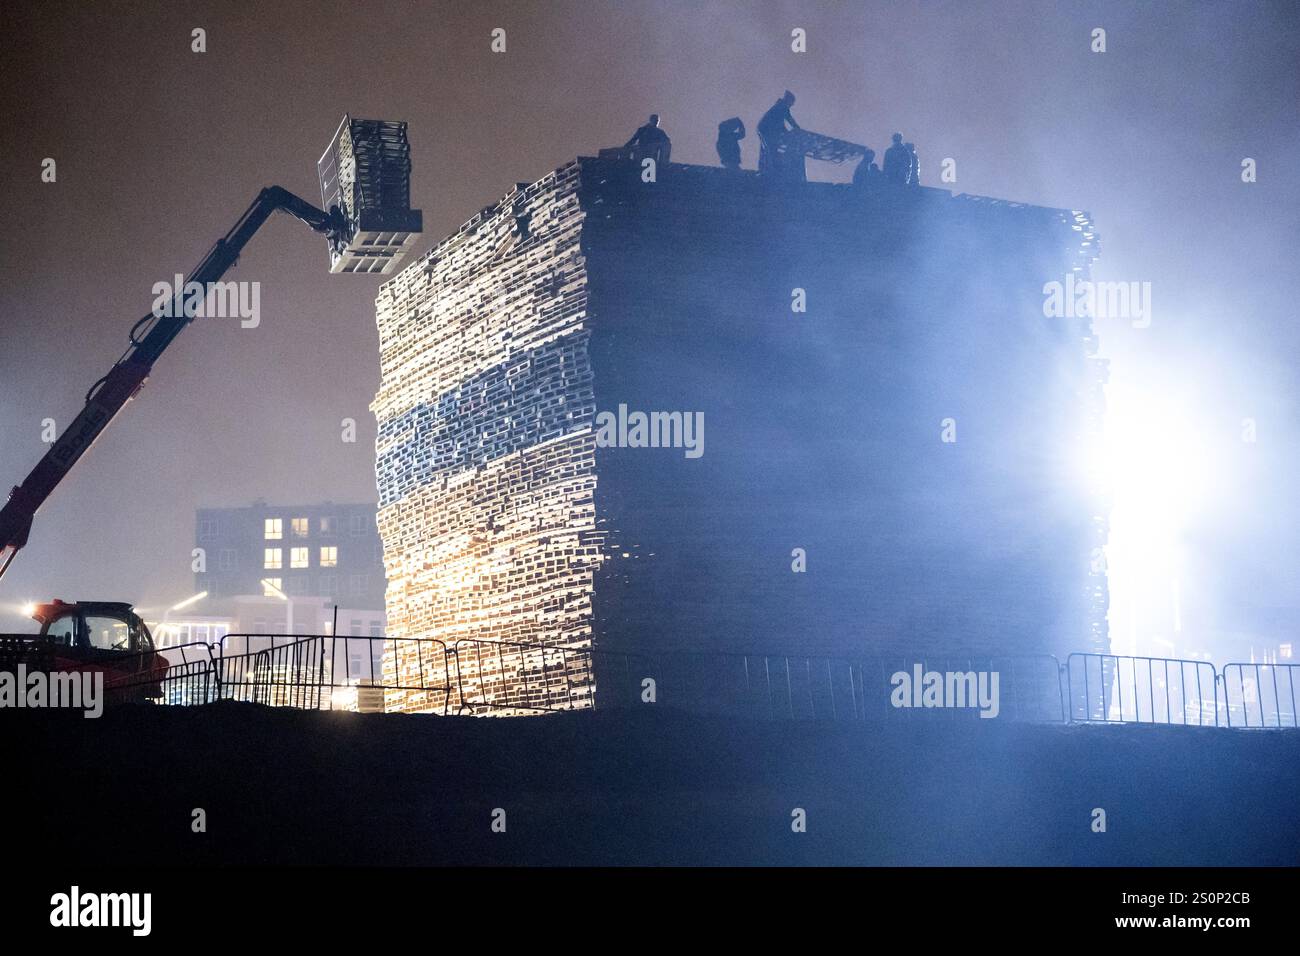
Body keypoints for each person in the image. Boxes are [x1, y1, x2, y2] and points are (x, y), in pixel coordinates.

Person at [758, 91, 800, 177]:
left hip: (765, 129)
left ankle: (768, 168)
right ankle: (771, 170)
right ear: (788, 100)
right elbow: (784, 121)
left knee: (768, 148)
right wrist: (796, 129)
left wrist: (794, 129)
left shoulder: (781, 106)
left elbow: (785, 121)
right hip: (766, 130)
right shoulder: (782, 107)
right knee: (771, 148)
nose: (791, 105)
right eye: (791, 103)